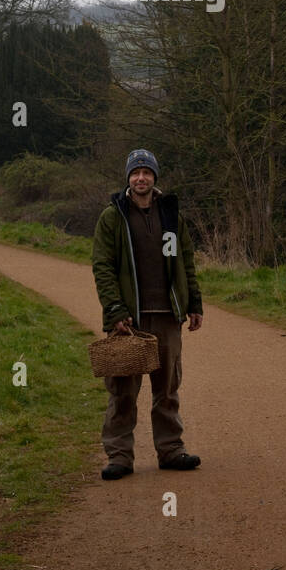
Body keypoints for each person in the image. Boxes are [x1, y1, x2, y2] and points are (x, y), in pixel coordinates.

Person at [91, 149, 203, 479]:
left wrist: (194, 303)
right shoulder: (113, 216)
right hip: (129, 320)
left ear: (155, 177)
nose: (141, 178)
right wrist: (115, 309)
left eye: (147, 172)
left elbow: (185, 261)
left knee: (167, 390)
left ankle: (171, 450)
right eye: (136, 173)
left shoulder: (170, 214)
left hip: (168, 316)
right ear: (128, 178)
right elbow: (102, 266)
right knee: (123, 392)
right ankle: (119, 456)